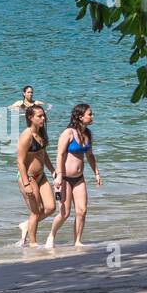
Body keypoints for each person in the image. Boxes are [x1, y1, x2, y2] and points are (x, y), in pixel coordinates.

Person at [49, 103, 102, 248]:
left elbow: (90, 155)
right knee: (64, 213)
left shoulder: (88, 134)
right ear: (80, 117)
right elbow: (59, 155)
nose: (92, 116)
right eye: (90, 114)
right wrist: (58, 176)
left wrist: (96, 173)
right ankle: (51, 236)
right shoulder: (68, 133)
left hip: (79, 179)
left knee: (82, 210)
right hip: (63, 179)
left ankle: (77, 241)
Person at [16, 105, 56, 246]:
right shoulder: (26, 135)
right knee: (36, 211)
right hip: (29, 177)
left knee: (51, 207)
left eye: (43, 115)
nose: (43, 118)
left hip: (41, 176)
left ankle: (26, 225)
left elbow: (43, 154)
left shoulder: (42, 132)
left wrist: (52, 170)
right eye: (39, 116)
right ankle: (33, 244)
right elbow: (20, 161)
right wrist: (26, 183)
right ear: (30, 118)